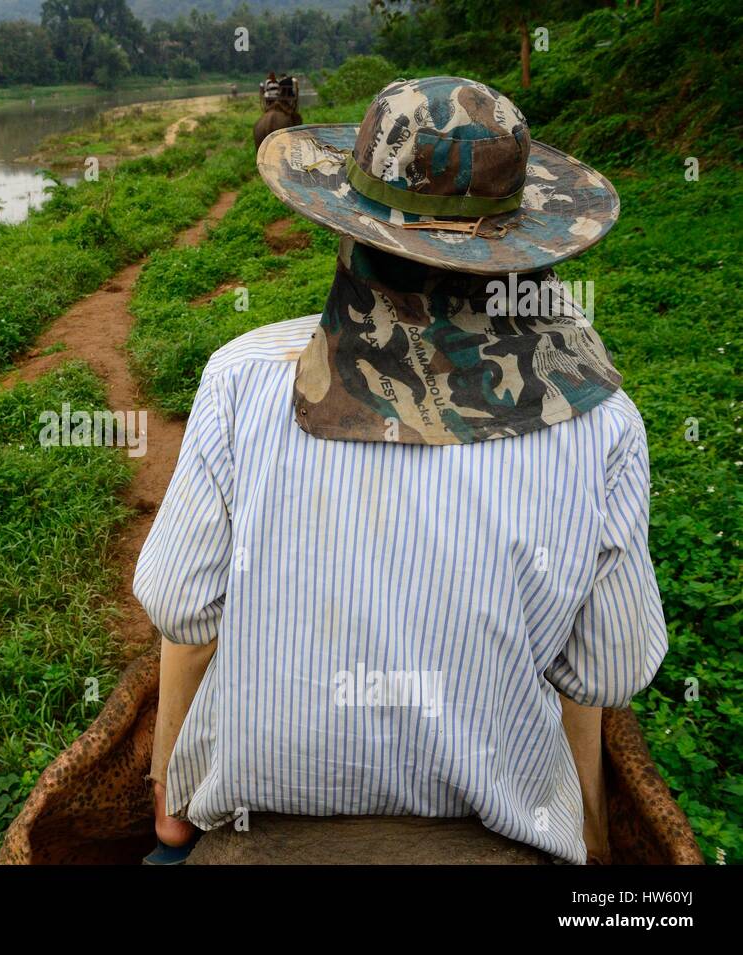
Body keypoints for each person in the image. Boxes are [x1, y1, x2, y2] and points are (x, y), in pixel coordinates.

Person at [134, 76, 667, 866]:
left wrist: (170, 806)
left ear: (345, 222)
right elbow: (605, 670)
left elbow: (182, 610)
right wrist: (588, 836)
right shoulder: (600, 422)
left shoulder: (242, 378)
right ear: (523, 244)